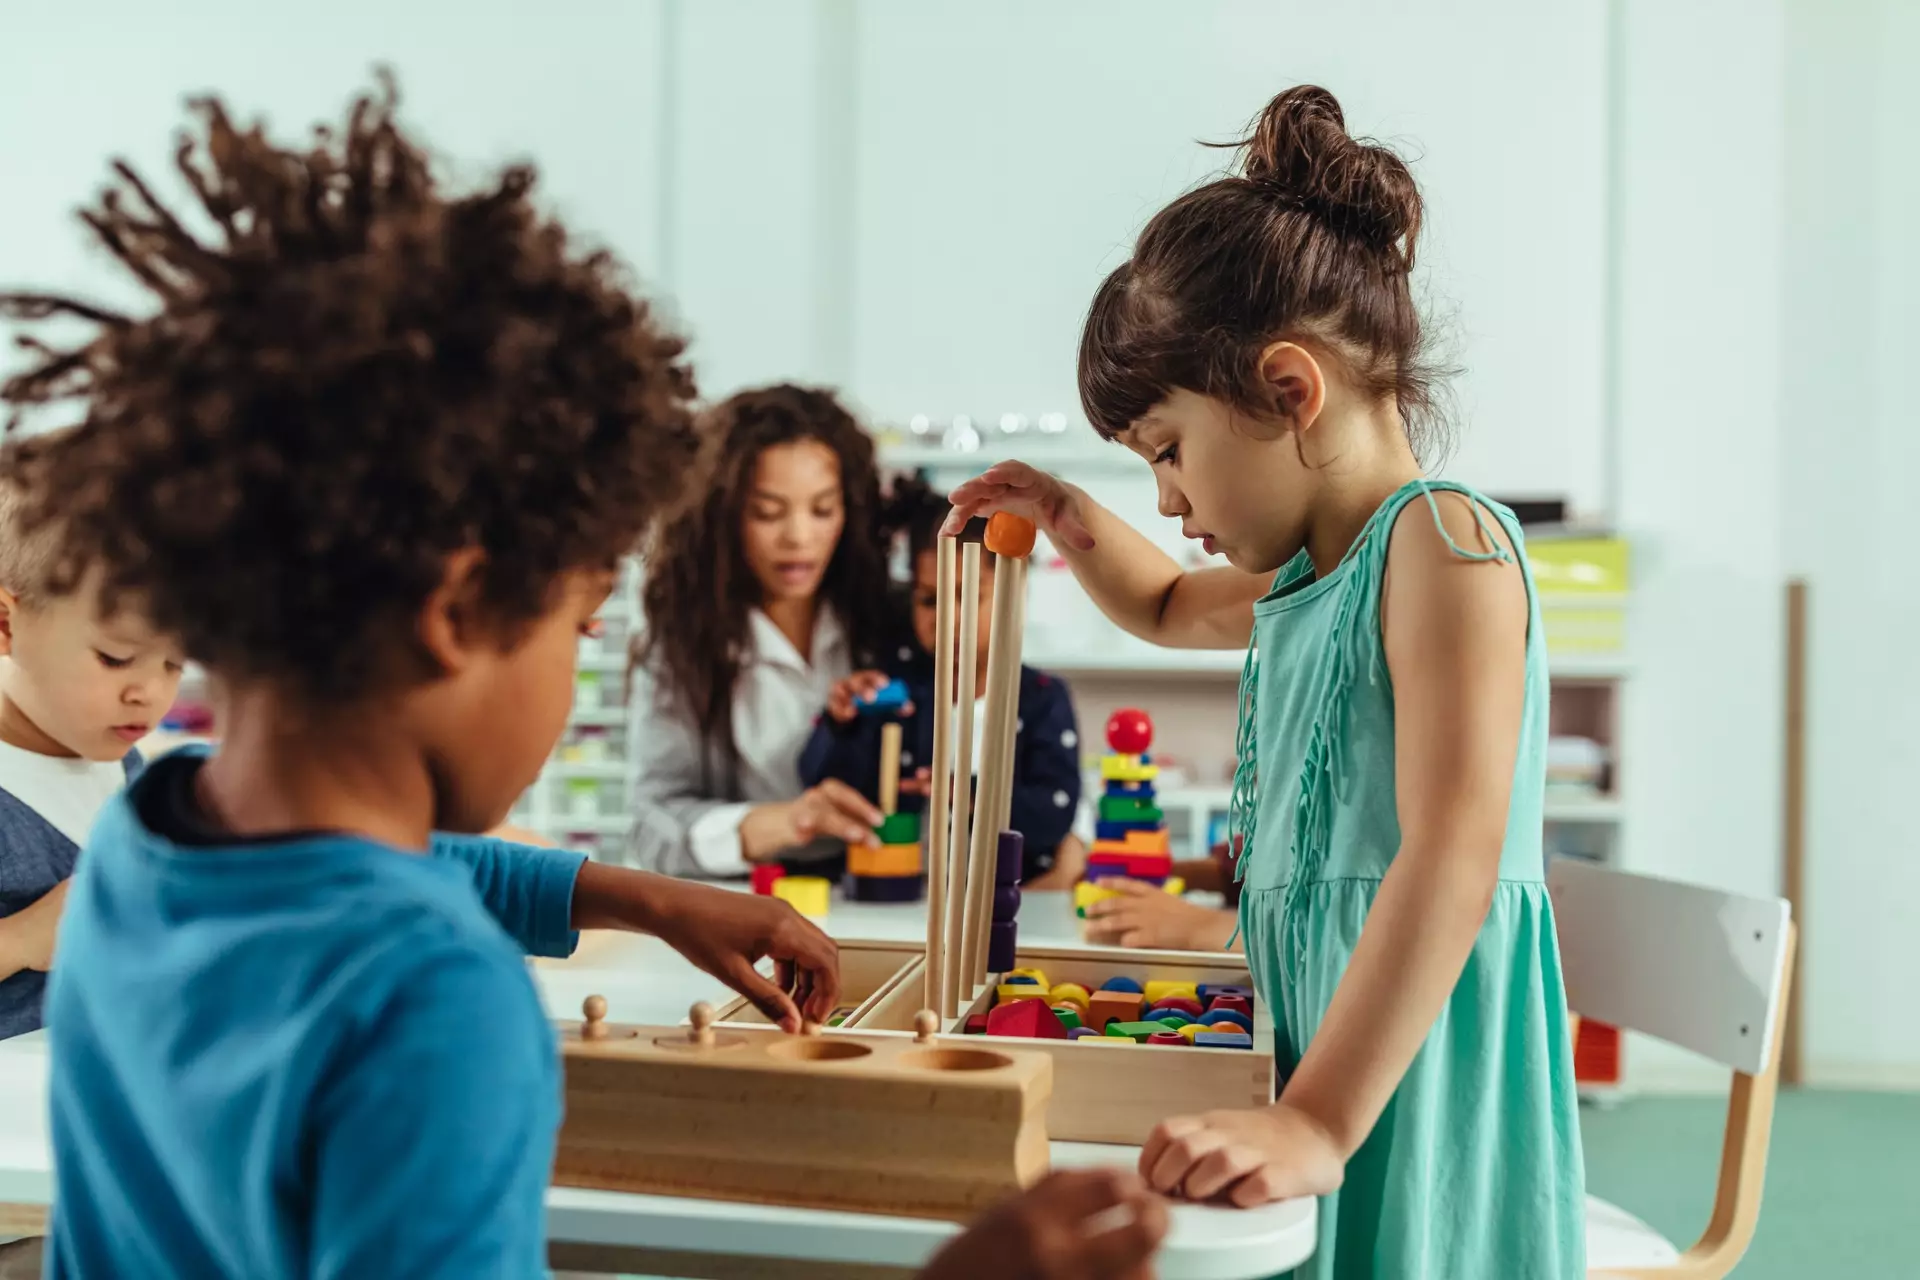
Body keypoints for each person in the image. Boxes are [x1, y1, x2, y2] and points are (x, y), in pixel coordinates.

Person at [0, 74, 841, 1277]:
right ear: (458, 613)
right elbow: (382, 905)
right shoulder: (437, 1000)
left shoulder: (148, 835)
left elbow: (352, 875)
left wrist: (644, 895)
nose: (575, 668)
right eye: (577, 627)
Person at [945, 85, 1584, 1279]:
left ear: (1291, 392)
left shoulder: (1444, 547)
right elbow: (1162, 604)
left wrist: (1320, 1116)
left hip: (1408, 1046)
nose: (1170, 501)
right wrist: (1067, 515)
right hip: (1323, 1021)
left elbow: (1451, 851)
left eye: (1170, 454)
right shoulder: (1313, 572)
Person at [626, 384, 908, 879]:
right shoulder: (683, 643)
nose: (798, 537)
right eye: (768, 513)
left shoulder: (892, 622)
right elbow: (653, 825)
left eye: (822, 510)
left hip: (890, 897)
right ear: (721, 516)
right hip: (748, 909)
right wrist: (781, 823)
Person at [799, 478, 1086, 887]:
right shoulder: (892, 689)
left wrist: (968, 795)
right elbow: (820, 781)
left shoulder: (1041, 699)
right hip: (899, 897)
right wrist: (840, 723)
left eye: (968, 595)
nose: (948, 617)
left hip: (1012, 901)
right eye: (929, 599)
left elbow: (1053, 813)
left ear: (1013, 590)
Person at [0, 474, 185, 1039]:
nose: (149, 693)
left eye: (175, 664)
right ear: (6, 624)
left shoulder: (122, 759)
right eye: (115, 658)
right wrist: (24, 937)